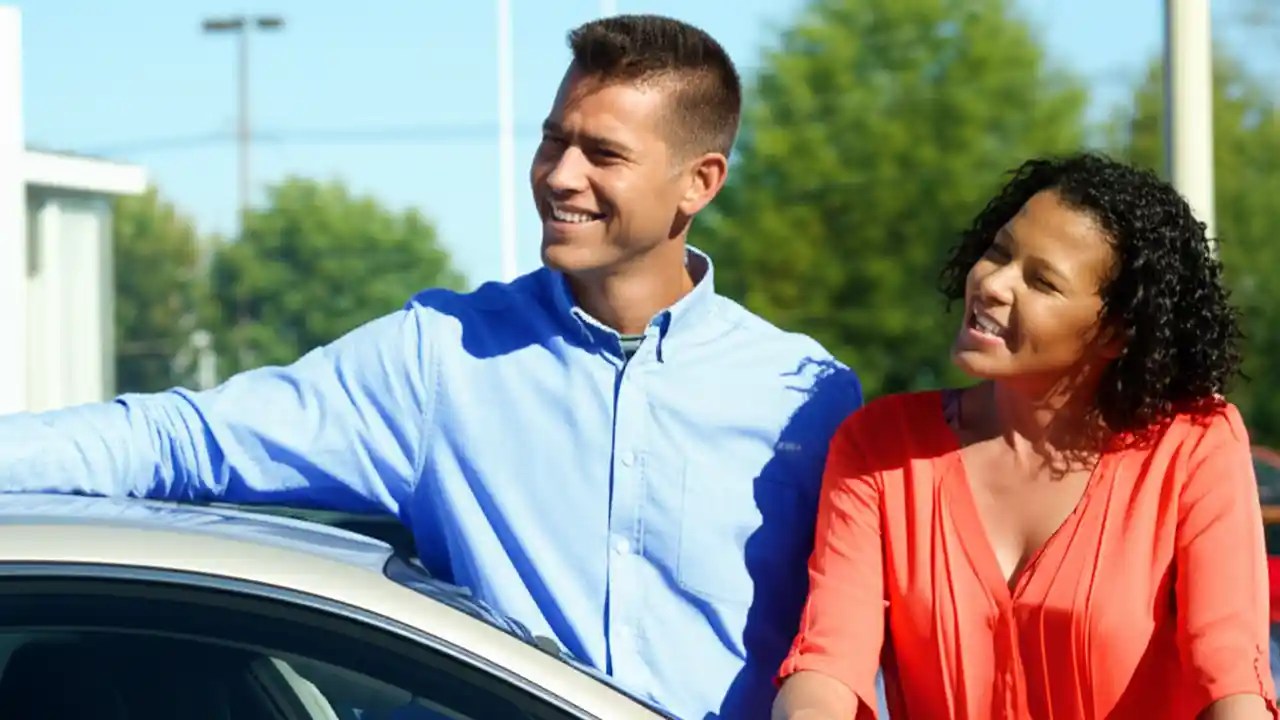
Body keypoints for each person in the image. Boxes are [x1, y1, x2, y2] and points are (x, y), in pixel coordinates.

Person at [0, 14, 862, 720]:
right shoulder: (437, 359)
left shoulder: (806, 398)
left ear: (698, 182)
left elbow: (847, 649)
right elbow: (180, 442)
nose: (559, 175)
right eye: (552, 140)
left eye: (602, 154)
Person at [772, 153, 1277, 720]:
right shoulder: (881, 447)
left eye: (1042, 282)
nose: (992, 283)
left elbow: (1231, 674)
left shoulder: (1194, 448)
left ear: (1114, 334)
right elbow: (828, 661)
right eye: (999, 251)